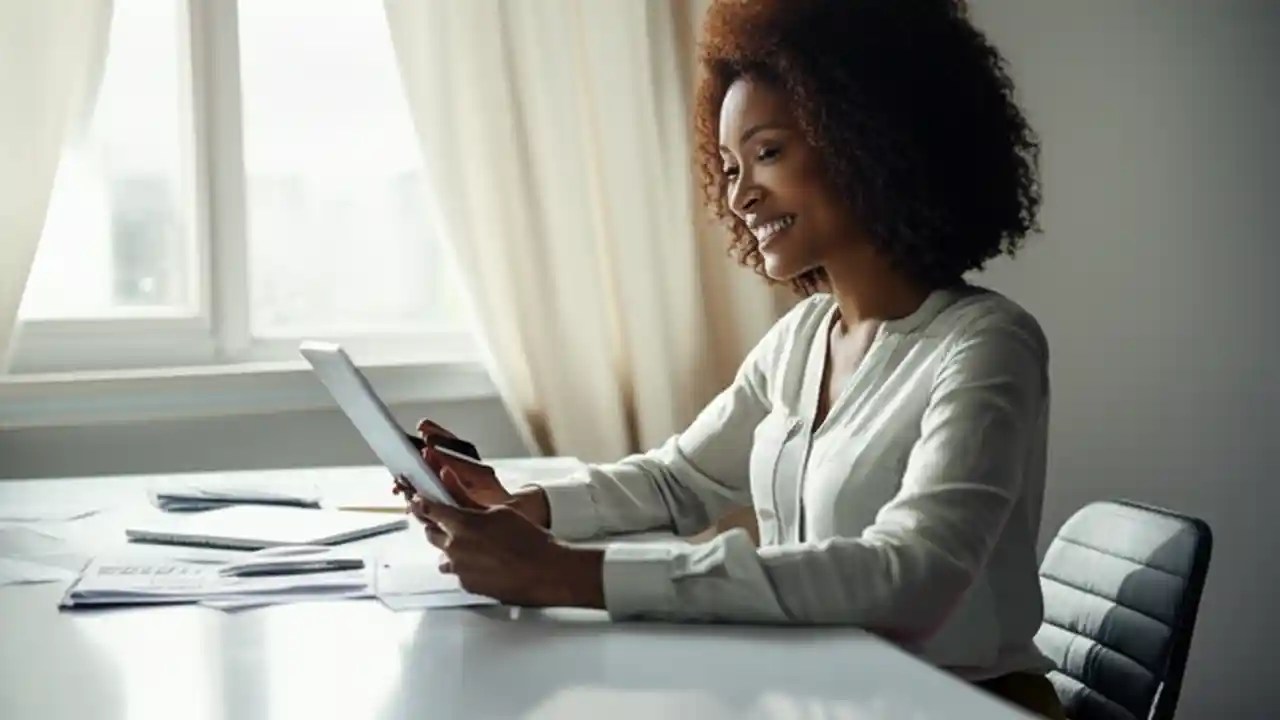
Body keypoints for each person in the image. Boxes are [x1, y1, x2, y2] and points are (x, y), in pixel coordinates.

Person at [394, 1, 1064, 716]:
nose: (741, 195)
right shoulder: (802, 337)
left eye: (768, 152)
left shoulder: (987, 344)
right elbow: (679, 481)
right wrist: (523, 508)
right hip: (829, 698)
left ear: (870, 139)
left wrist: (570, 576)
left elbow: (912, 573)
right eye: (729, 166)